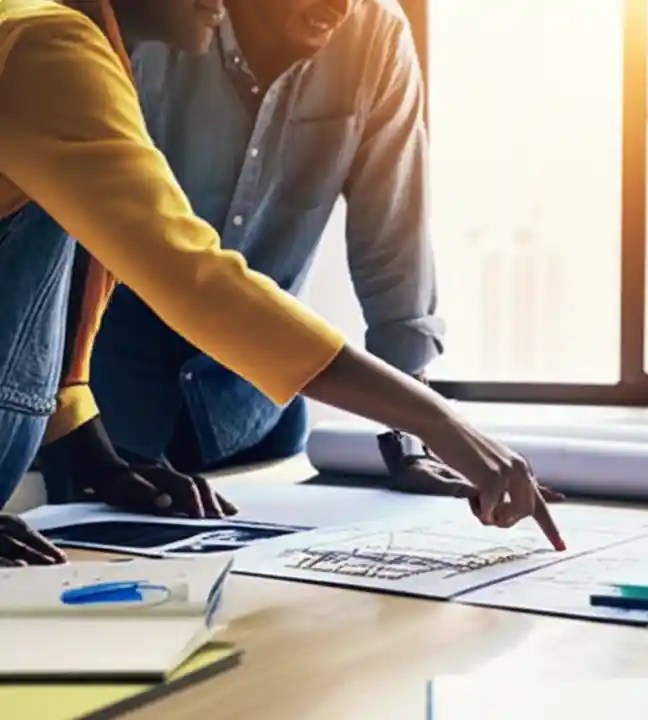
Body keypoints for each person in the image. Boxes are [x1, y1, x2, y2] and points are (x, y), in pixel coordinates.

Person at [0, 0, 559, 563]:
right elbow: (192, 276)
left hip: (243, 408)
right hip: (124, 385)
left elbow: (394, 244)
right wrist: (439, 419)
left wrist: (90, 449)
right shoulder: (52, 48)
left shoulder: (63, 41)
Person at [80, 0, 464, 493]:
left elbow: (393, 244)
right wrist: (77, 437)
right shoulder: (152, 22)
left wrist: (411, 434)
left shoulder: (376, 37)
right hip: (106, 415)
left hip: (255, 418)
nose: (342, 6)